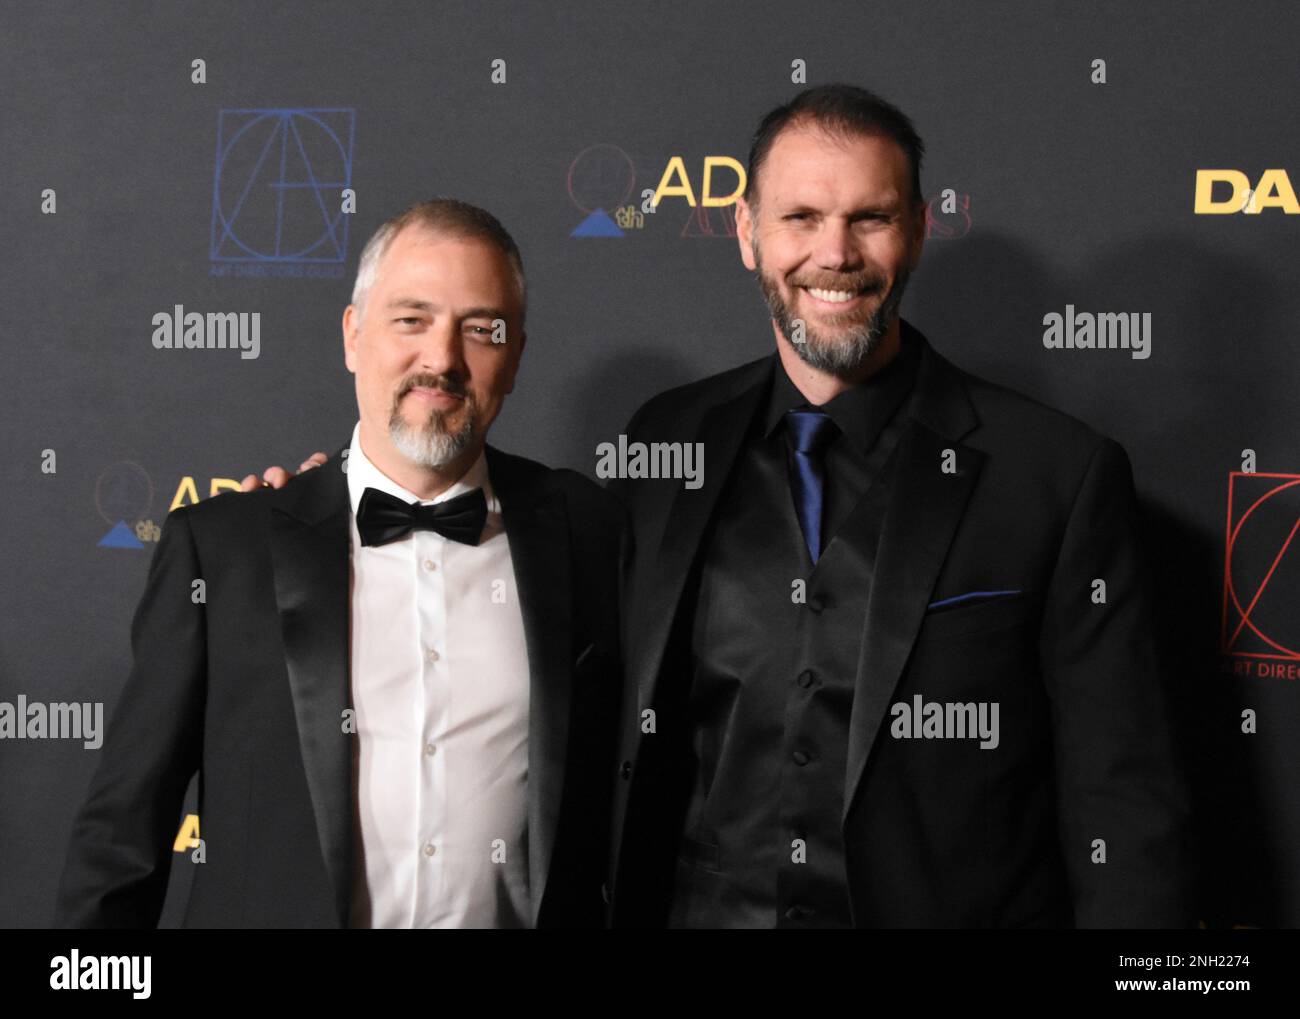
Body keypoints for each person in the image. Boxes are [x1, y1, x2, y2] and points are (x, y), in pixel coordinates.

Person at [604, 83, 1194, 928]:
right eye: (800, 217)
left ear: (918, 229)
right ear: (746, 233)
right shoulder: (665, 444)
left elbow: (1123, 800)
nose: (833, 253)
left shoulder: (1057, 474)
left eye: (869, 218)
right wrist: (345, 500)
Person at [55, 199, 624, 928]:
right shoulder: (223, 551)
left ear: (514, 357)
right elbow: (120, 840)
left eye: (481, 329)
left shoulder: (590, 534)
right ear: (353, 335)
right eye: (411, 319)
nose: (442, 359)